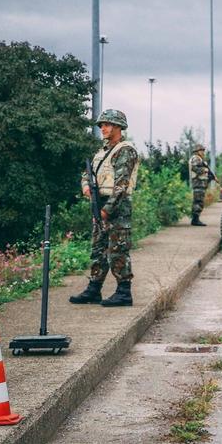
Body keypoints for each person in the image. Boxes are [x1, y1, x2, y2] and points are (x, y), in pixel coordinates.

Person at [69, 109, 141, 308]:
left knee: (118, 250)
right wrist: (86, 187)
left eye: (107, 124)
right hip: (99, 203)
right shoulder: (101, 152)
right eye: (101, 125)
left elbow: (121, 186)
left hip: (117, 206)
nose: (103, 128)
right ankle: (94, 290)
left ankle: (124, 293)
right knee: (98, 249)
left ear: (118, 127)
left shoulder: (125, 150)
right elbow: (87, 174)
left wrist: (106, 210)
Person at [187, 143, 215, 226]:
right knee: (198, 201)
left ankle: (195, 219)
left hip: (200, 183)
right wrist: (204, 170)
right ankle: (195, 220)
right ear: (197, 151)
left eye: (203, 150)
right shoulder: (196, 158)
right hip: (198, 183)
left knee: (199, 201)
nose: (203, 152)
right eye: (201, 150)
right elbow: (195, 168)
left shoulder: (199, 159)